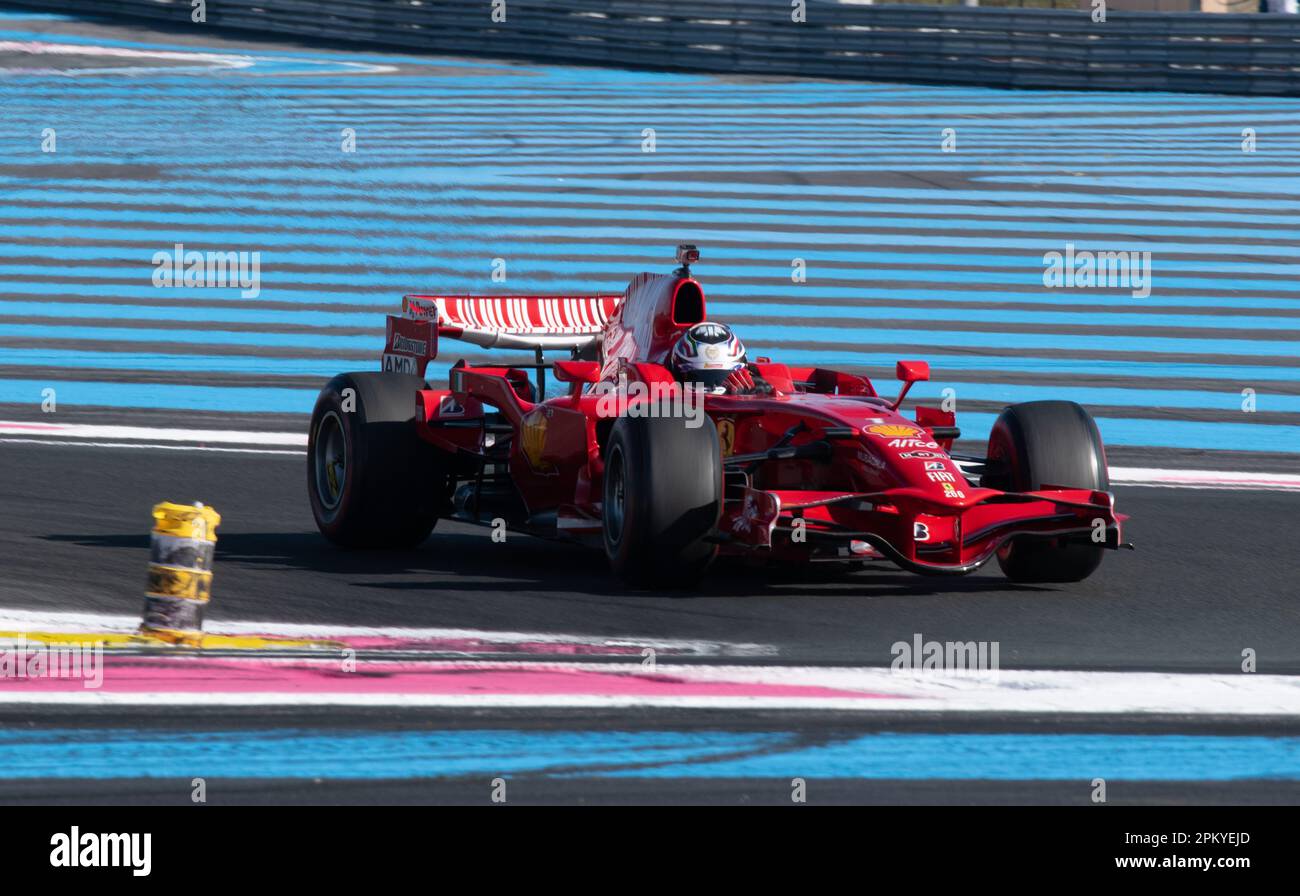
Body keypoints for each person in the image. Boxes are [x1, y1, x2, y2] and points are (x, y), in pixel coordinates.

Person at [668, 322, 772, 395]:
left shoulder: (758, 391)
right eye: (702, 379)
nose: (714, 389)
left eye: (724, 377)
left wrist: (763, 394)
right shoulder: (665, 404)